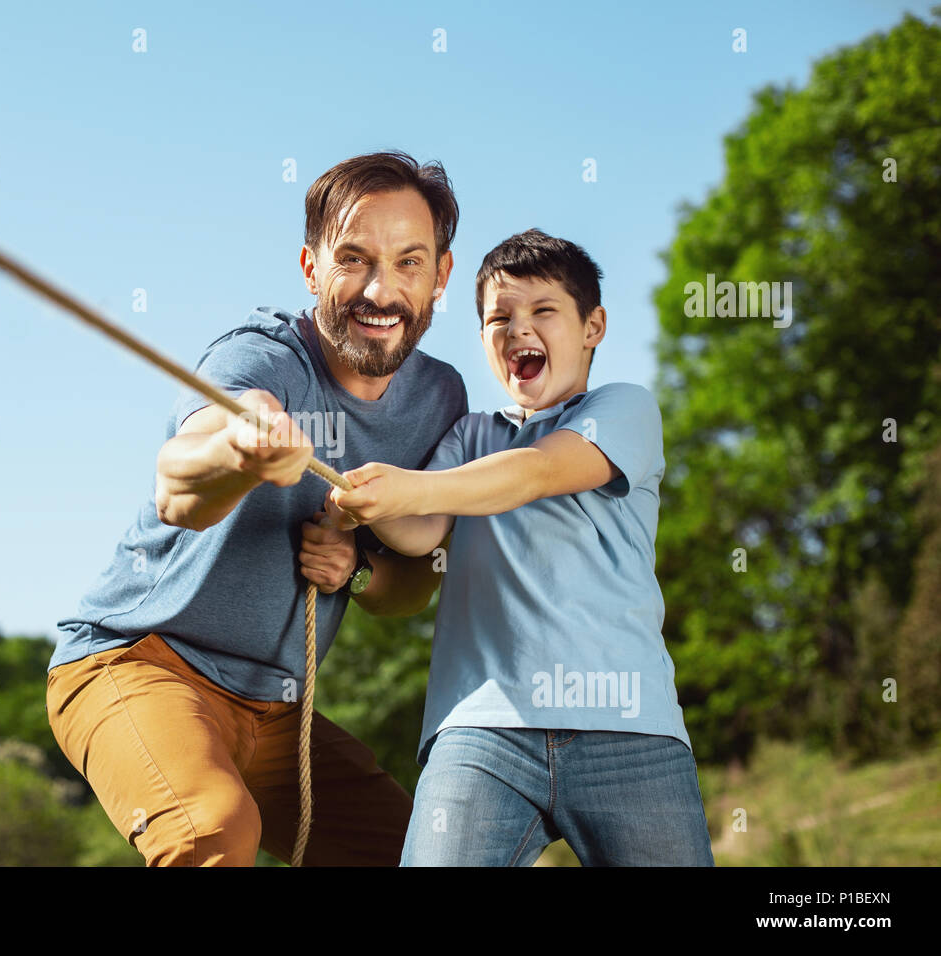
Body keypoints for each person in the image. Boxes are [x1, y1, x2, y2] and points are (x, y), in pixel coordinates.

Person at [46, 151, 468, 866]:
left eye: (409, 262)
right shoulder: (259, 359)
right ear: (310, 268)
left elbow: (419, 579)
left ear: (441, 276)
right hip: (137, 663)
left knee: (426, 855)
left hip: (277, 712)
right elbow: (178, 487)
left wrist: (356, 572)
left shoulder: (440, 400)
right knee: (211, 832)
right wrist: (242, 449)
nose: (381, 290)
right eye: (353, 258)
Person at [327, 228, 715, 866]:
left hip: (627, 723)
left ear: (593, 327)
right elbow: (422, 529)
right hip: (481, 728)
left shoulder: (624, 409)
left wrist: (407, 489)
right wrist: (366, 502)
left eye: (543, 310)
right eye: (498, 318)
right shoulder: (469, 436)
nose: (518, 329)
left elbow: (536, 471)